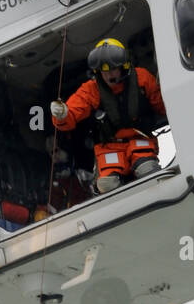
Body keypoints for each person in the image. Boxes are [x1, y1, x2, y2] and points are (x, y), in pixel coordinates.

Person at [50, 37, 166, 194]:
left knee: (147, 169)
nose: (109, 75)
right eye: (104, 71)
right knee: (107, 185)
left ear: (123, 67)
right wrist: (61, 115)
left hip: (139, 140)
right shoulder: (91, 90)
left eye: (112, 69)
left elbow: (161, 105)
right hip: (110, 147)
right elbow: (71, 115)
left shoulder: (142, 78)